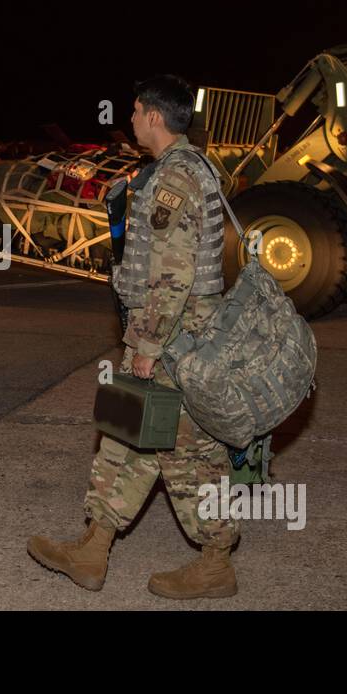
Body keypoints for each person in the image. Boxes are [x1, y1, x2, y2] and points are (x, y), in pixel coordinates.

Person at [27, 75, 241, 599]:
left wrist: (147, 346)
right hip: (172, 334)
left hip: (176, 340)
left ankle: (216, 562)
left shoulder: (175, 181)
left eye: (135, 110)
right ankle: (93, 548)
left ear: (153, 116)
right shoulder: (184, 168)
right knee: (126, 436)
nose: (129, 119)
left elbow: (175, 274)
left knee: (189, 456)